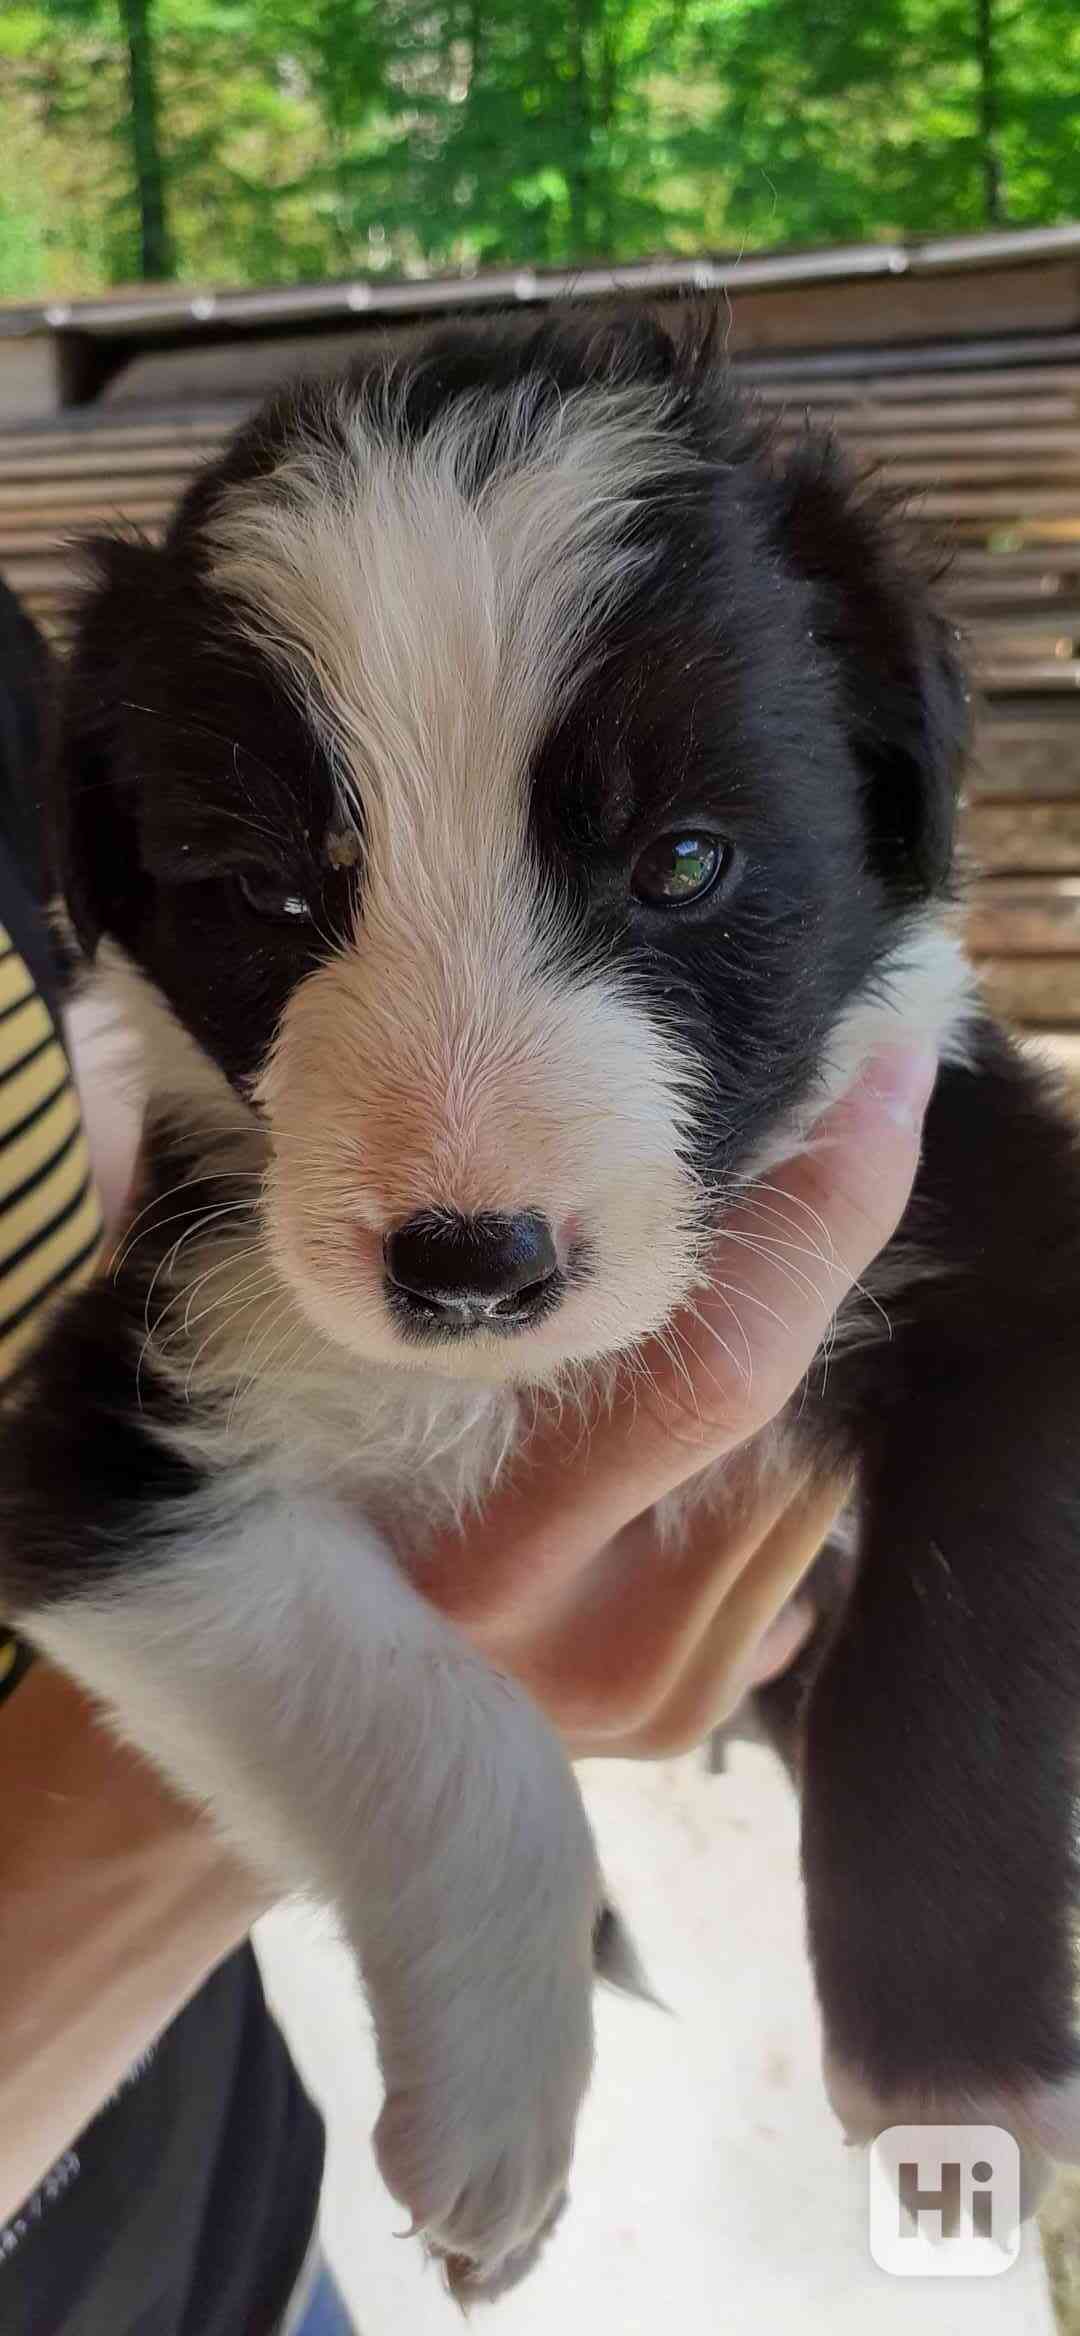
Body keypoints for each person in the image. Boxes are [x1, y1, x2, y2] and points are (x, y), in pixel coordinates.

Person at [0, 577, 935, 2334]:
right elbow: (81, 1497)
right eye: (279, 890)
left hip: (235, 2218)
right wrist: (454, 1791)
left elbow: (98, 1108)